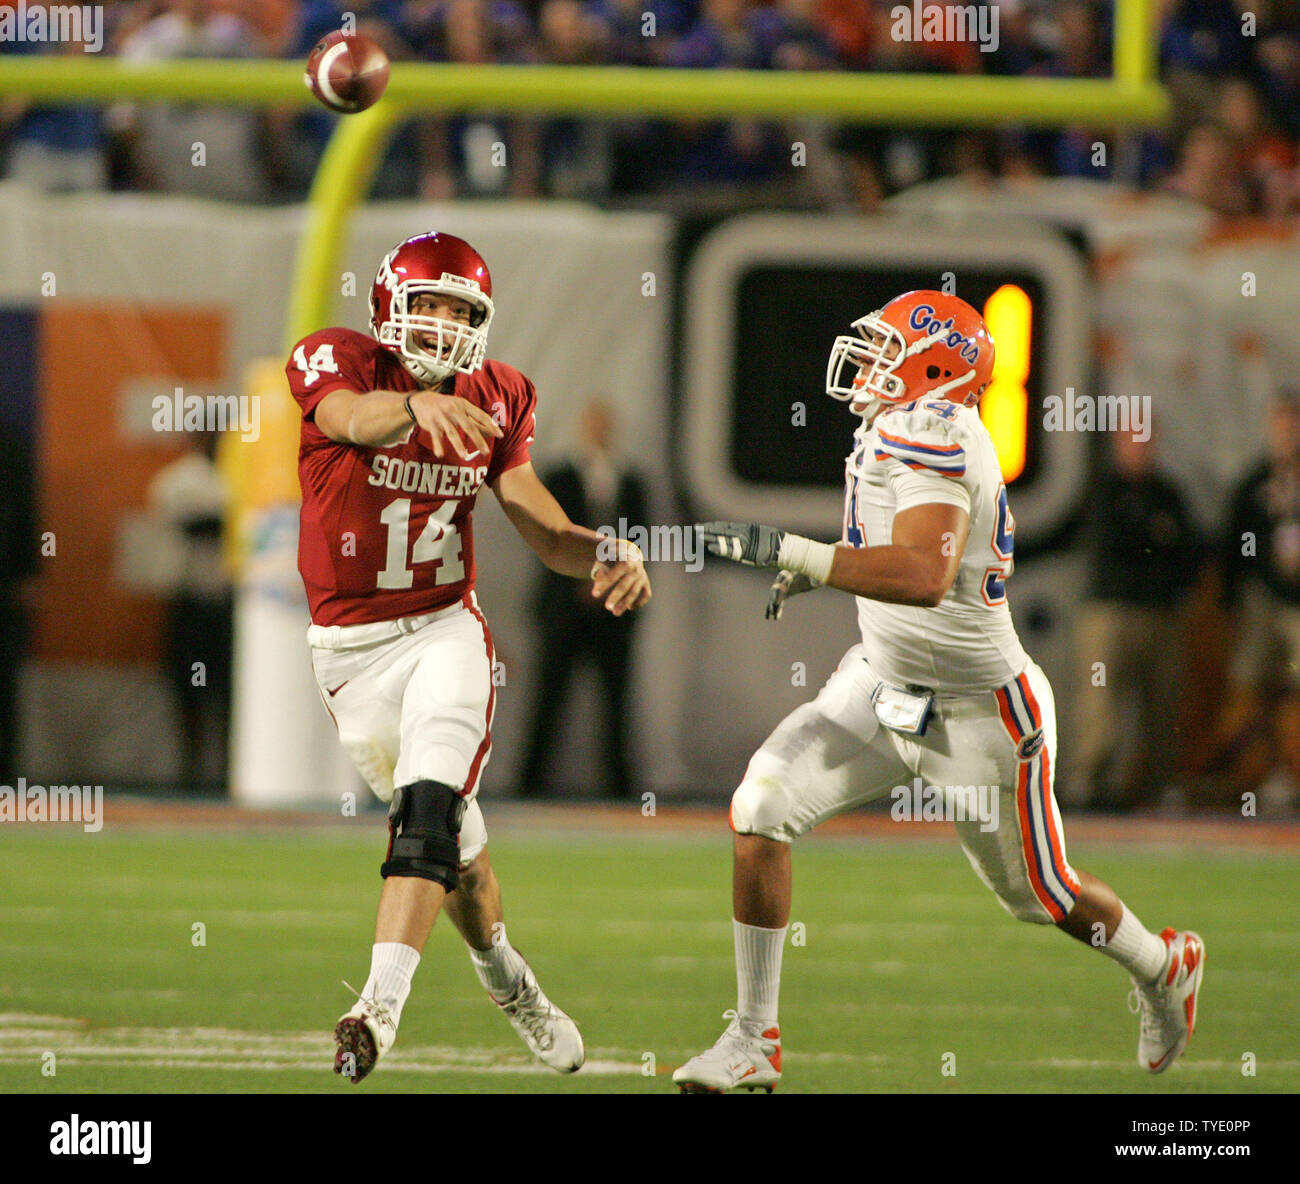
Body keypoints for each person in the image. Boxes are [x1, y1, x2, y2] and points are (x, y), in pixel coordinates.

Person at [678, 291, 1205, 1093]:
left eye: (885, 350)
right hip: (882, 686)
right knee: (761, 806)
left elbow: (924, 574)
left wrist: (802, 552)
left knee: (1042, 896)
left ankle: (1164, 966)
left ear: (934, 370)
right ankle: (753, 1038)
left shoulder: (939, 433)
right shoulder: (893, 426)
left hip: (979, 719)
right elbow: (893, 548)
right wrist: (820, 569)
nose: (865, 364)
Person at [285, 230, 651, 1083]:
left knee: (427, 813)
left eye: (462, 311)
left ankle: (375, 1009)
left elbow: (544, 527)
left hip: (447, 627)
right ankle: (508, 978)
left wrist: (604, 549)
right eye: (430, 307)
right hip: (349, 650)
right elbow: (344, 418)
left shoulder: (499, 395)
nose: (446, 327)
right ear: (388, 309)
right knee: (468, 873)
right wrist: (413, 408)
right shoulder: (335, 361)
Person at [1065, 428, 1202, 811]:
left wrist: (1155, 551)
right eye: (1132, 440)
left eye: (1146, 441)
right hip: (1109, 614)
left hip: (1159, 615)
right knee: (1099, 705)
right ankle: (1086, 785)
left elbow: (1190, 551)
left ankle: (1155, 790)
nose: (1140, 449)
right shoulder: (1103, 491)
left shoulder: (1167, 493)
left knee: (1163, 708)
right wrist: (1155, 542)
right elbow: (1110, 546)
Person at [519, 399, 649, 798]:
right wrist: (579, 580)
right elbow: (549, 537)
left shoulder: (631, 484)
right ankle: (529, 786)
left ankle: (620, 790)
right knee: (548, 698)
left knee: (617, 704)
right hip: (563, 610)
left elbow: (641, 541)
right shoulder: (557, 477)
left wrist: (614, 584)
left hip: (614, 611)